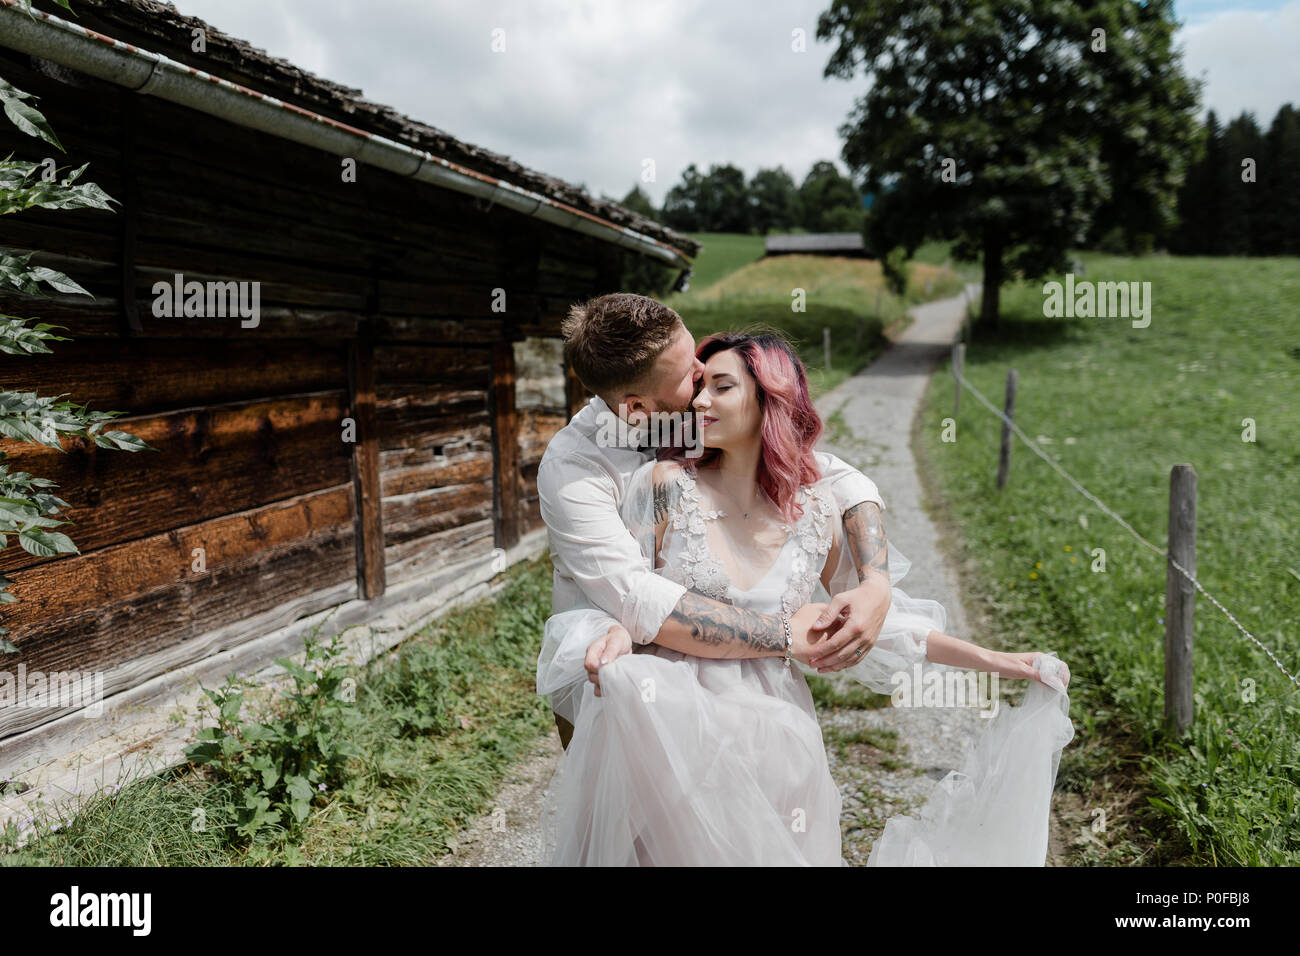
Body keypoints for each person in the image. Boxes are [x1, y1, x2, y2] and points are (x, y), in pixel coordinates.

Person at [536, 331, 1074, 866]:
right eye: (698, 386)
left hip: (776, 737)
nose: (698, 400)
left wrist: (1003, 662)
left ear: (771, 400)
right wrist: (616, 629)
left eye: (718, 386)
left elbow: (866, 620)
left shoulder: (816, 513)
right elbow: (632, 594)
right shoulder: (659, 485)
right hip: (675, 729)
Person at [535, 294, 896, 750]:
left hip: (716, 678)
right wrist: (786, 635)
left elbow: (834, 476)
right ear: (637, 408)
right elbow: (639, 599)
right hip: (610, 676)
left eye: (695, 357)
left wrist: (876, 583)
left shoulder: (685, 405)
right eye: (689, 374)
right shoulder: (573, 469)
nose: (703, 375)